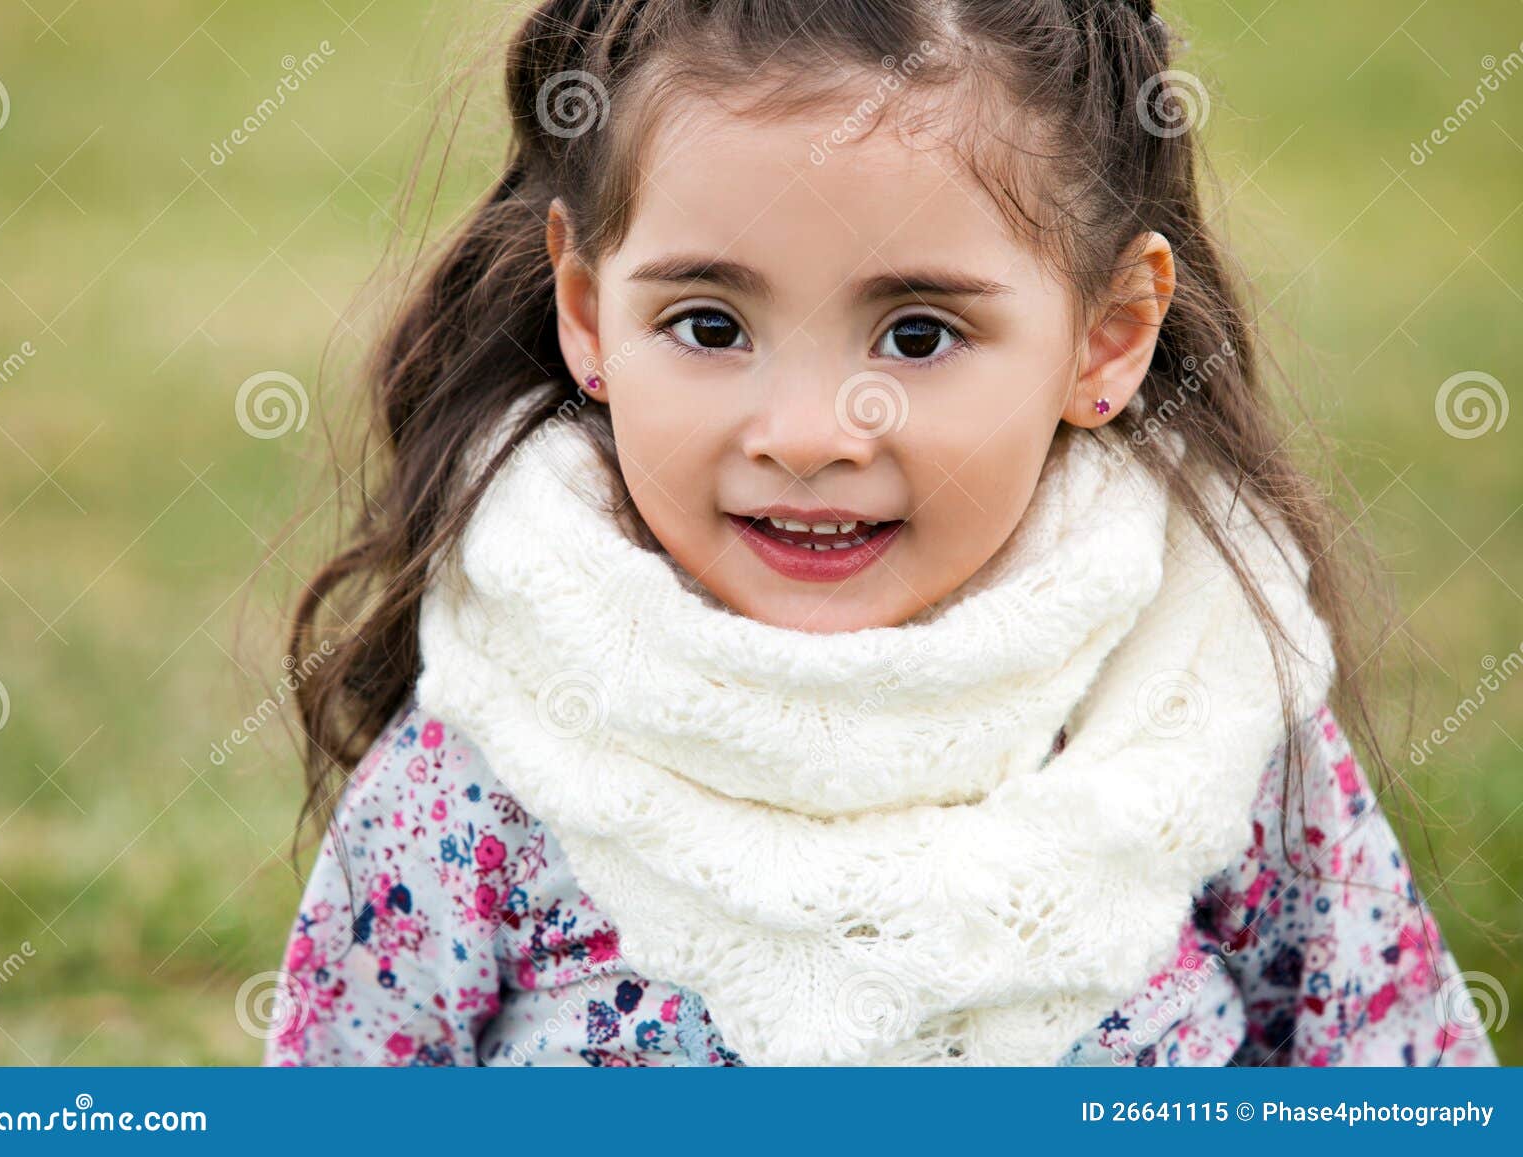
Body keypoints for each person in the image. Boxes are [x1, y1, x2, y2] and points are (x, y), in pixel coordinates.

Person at [264, 0, 1501, 1066]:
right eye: (707, 323)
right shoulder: (500, 749)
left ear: (1108, 336)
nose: (808, 433)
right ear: (587, 312)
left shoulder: (1203, 700)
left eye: (918, 334)